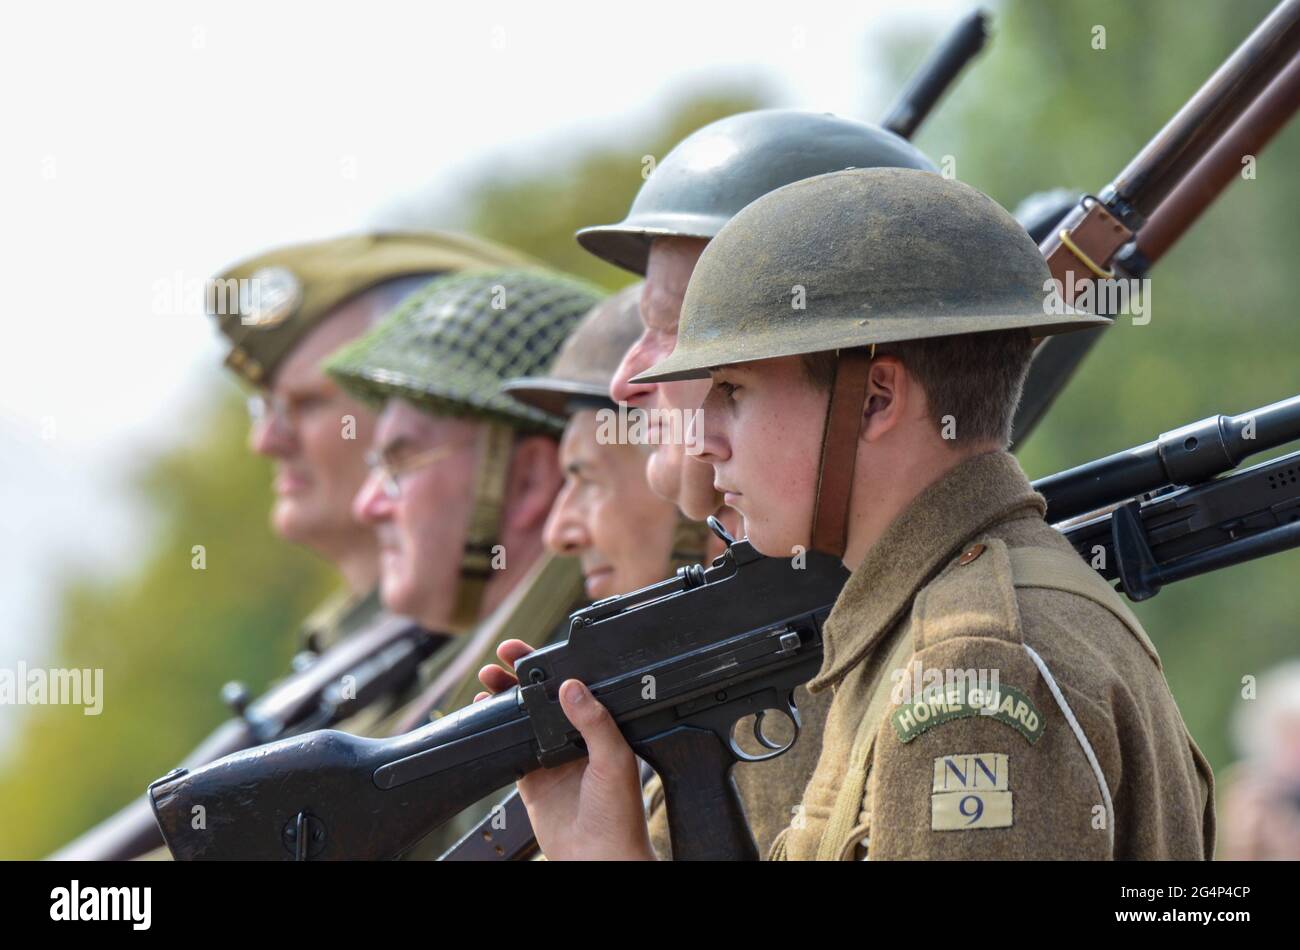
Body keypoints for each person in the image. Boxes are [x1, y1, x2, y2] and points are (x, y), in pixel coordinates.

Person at [479, 168, 1215, 860]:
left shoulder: (966, 671)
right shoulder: (930, 627)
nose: (703, 440)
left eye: (733, 391)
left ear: (877, 399)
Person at [324, 266, 601, 856]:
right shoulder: (455, 679)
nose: (369, 503)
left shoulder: (574, 699)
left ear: (527, 481)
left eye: (400, 463)